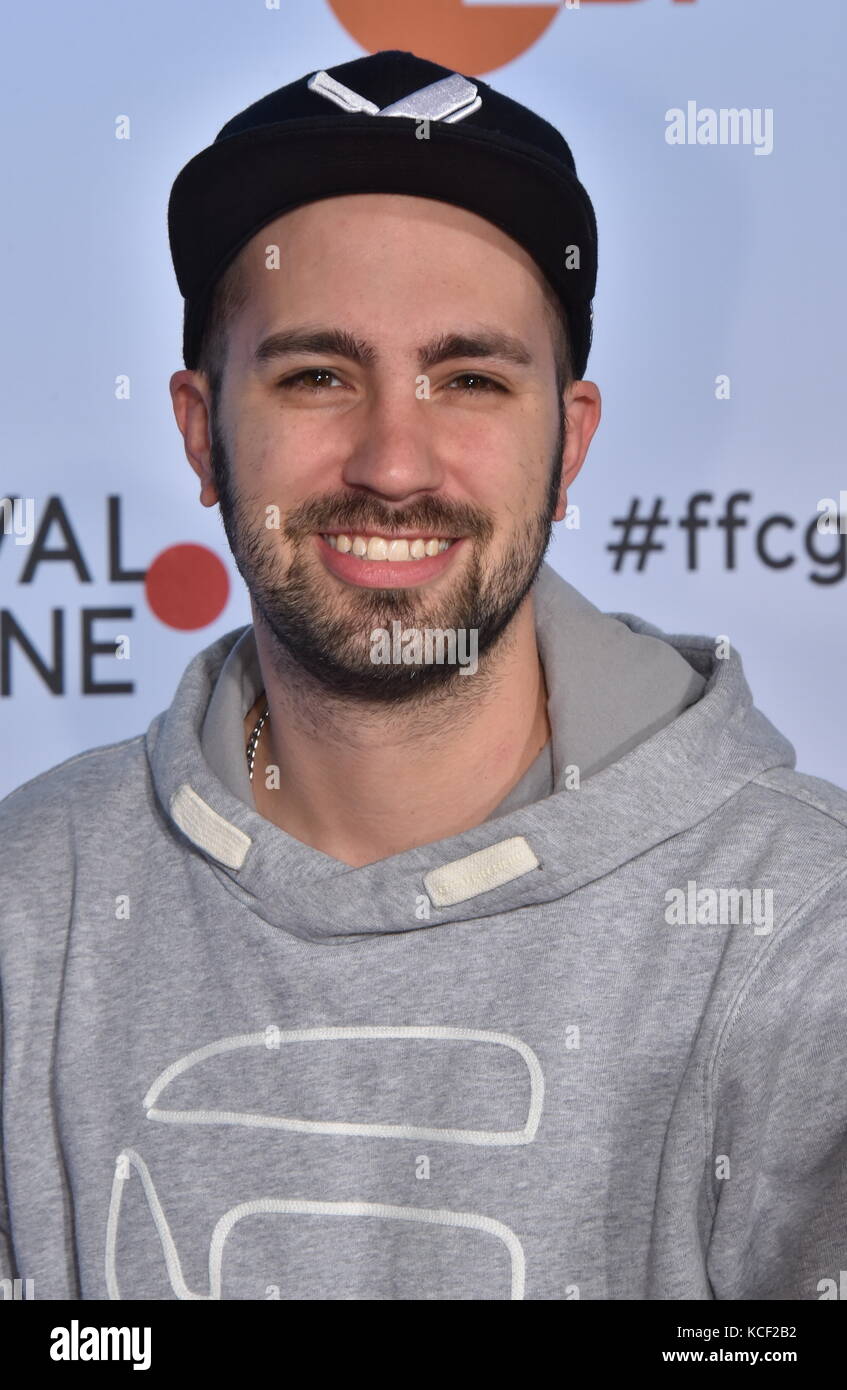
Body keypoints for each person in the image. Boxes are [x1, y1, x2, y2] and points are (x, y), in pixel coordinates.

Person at [1, 50, 845, 1302]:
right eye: (316, 376)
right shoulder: (30, 908)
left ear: (569, 444)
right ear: (200, 430)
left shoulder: (806, 933)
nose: (394, 463)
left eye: (470, 380)